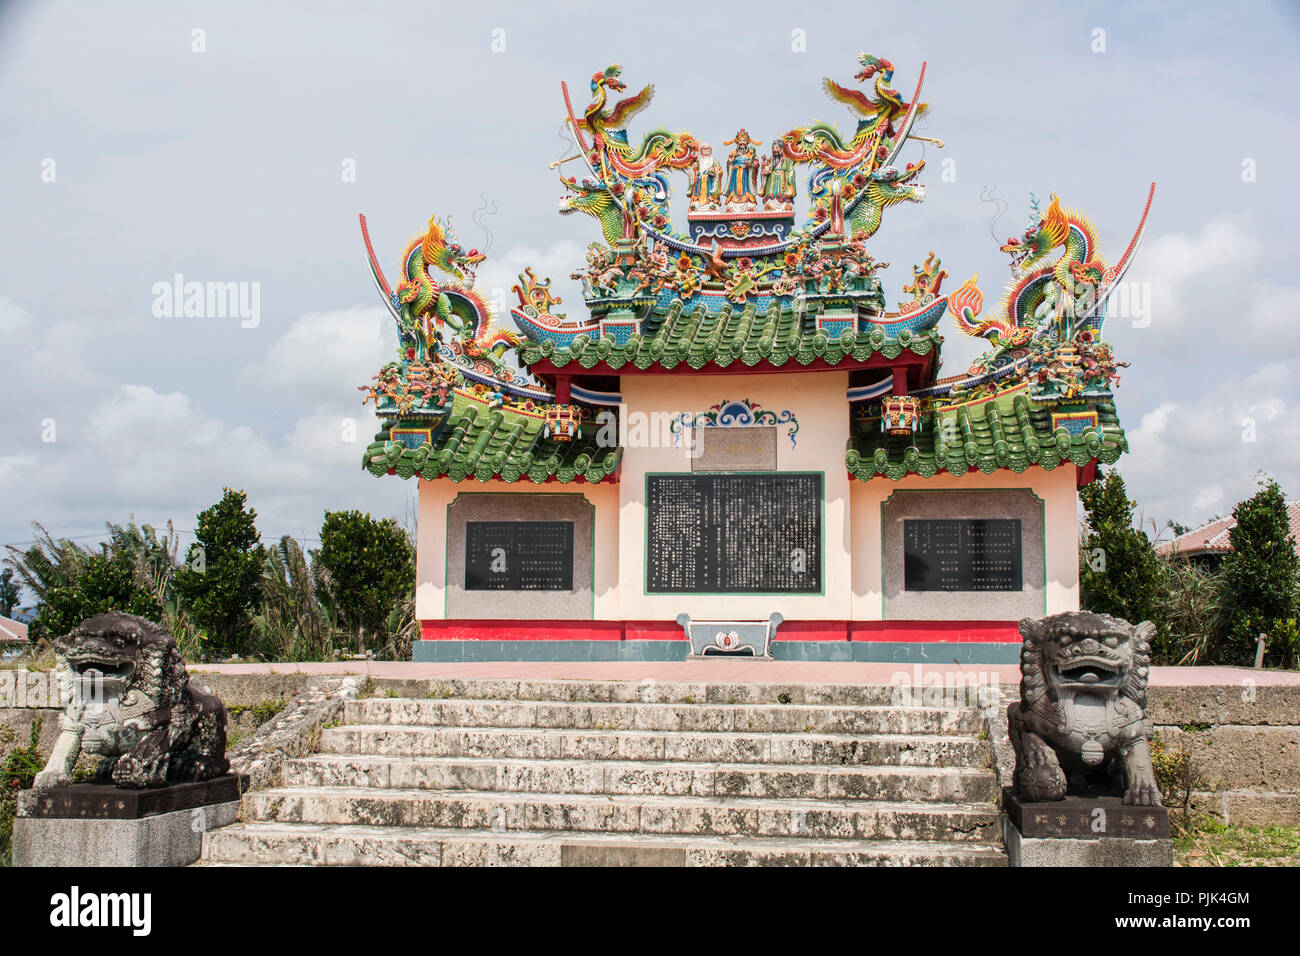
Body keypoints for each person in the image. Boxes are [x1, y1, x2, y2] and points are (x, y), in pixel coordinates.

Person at [723, 129, 760, 205]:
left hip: (746, 174)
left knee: (746, 189)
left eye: (744, 140)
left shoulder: (751, 153)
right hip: (735, 174)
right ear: (737, 142)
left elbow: (756, 163)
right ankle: (733, 199)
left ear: (747, 142)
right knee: (734, 188)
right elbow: (729, 164)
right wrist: (730, 162)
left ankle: (748, 199)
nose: (742, 142)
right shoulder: (733, 153)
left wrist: (751, 164)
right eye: (740, 140)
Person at [687, 143, 724, 208]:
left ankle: (711, 201)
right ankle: (697, 200)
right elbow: (692, 172)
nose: (706, 152)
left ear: (711, 151)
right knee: (699, 181)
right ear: (701, 152)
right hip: (699, 181)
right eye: (704, 151)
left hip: (710, 180)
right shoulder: (698, 162)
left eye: (707, 150)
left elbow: (719, 171)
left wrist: (713, 171)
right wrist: (693, 168)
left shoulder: (714, 162)